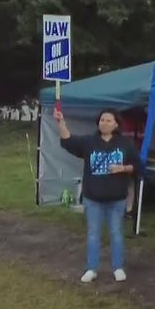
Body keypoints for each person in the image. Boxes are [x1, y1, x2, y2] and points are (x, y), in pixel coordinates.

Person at [55, 108, 141, 283]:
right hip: (93, 198)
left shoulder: (125, 144)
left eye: (109, 120)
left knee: (116, 233)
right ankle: (92, 268)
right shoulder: (89, 142)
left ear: (116, 124)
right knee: (93, 234)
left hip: (117, 199)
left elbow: (138, 166)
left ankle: (117, 267)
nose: (105, 123)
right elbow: (68, 142)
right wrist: (61, 124)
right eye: (102, 120)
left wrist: (122, 168)